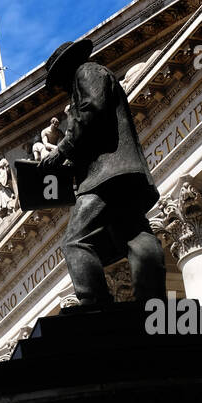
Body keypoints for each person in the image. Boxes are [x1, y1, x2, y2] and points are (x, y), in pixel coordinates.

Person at [42, 37, 165, 309]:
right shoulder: (94, 74)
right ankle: (153, 301)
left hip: (106, 175)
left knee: (75, 241)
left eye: (58, 81)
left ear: (65, 69)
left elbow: (92, 111)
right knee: (136, 234)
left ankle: (94, 303)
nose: (60, 88)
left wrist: (62, 150)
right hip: (119, 171)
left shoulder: (87, 72)